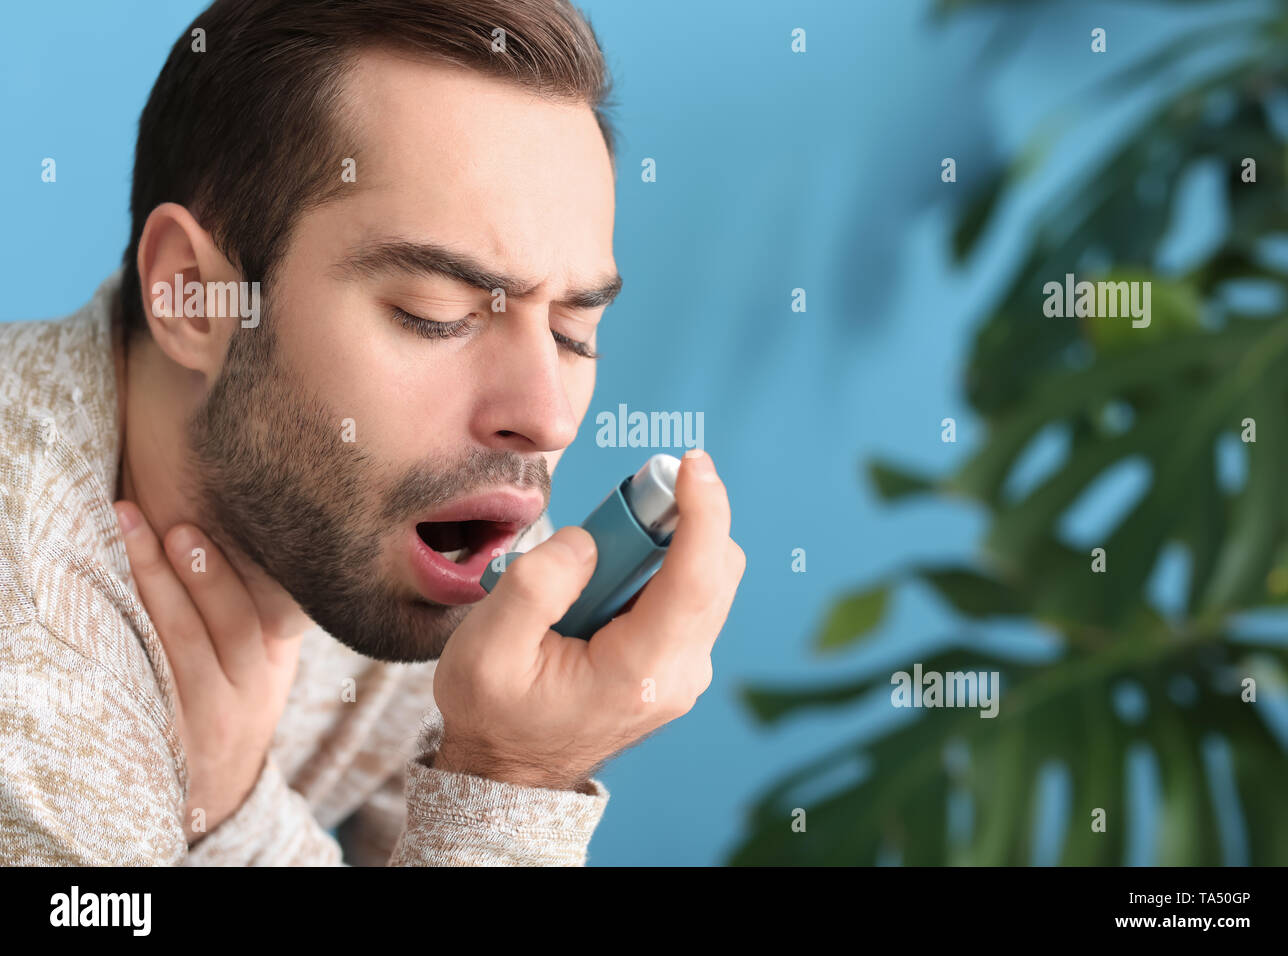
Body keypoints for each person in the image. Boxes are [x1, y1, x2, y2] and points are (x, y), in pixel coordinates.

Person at [0, 0, 744, 865]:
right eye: (436, 316)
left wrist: (239, 815)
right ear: (193, 296)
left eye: (573, 333)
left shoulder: (426, 517)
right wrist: (510, 782)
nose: (544, 417)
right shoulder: (31, 659)